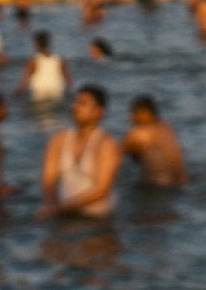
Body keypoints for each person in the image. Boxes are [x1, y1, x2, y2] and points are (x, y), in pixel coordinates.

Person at [39, 84, 121, 219]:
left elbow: (102, 190)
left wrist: (59, 209)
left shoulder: (106, 144)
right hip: (65, 212)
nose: (74, 107)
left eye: (82, 103)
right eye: (75, 102)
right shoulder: (58, 141)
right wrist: (51, 205)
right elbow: (48, 180)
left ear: (98, 112)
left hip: (98, 220)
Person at [121, 94, 187, 187]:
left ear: (146, 113)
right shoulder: (167, 128)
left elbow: (114, 155)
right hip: (179, 185)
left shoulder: (138, 133)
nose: (132, 117)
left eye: (135, 113)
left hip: (155, 187)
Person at [16, 30, 67, 104]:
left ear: (36, 44)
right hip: (57, 96)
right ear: (49, 43)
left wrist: (16, 95)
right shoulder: (60, 60)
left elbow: (23, 85)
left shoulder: (33, 61)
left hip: (39, 97)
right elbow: (69, 83)